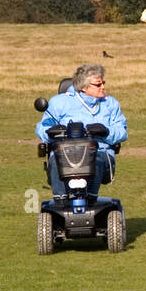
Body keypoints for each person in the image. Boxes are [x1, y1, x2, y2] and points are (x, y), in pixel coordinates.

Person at [35, 64, 128, 197]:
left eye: (103, 83)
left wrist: (106, 132)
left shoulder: (110, 104)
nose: (103, 87)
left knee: (96, 161)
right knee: (56, 160)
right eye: (98, 84)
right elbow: (42, 127)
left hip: (99, 152)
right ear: (84, 87)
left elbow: (122, 131)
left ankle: (90, 199)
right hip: (65, 152)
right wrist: (50, 132)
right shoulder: (59, 103)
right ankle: (60, 200)